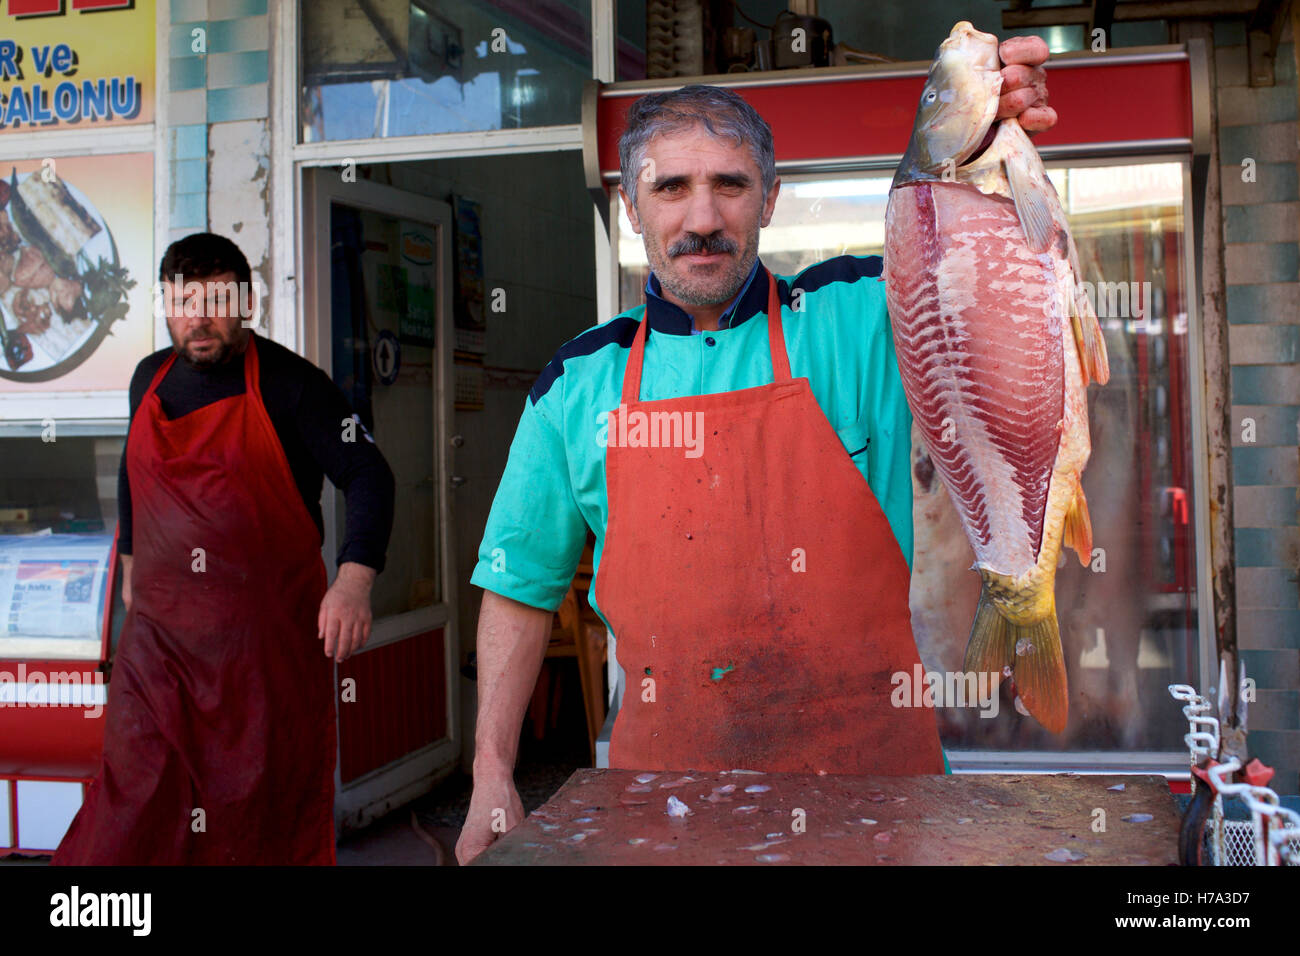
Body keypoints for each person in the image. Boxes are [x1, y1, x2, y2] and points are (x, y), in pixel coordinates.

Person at [457, 37, 1057, 864]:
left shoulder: (859, 314)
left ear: (770, 199)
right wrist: (492, 773)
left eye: (729, 186)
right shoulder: (577, 381)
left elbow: (972, 257)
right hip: (666, 809)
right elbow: (519, 588)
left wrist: (992, 134)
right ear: (632, 206)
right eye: (671, 188)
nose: (701, 219)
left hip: (879, 799)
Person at [53, 233, 395, 865]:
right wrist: (130, 565)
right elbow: (133, 476)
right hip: (157, 650)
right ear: (165, 305)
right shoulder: (145, 380)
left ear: (247, 304)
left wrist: (353, 580)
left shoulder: (296, 386)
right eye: (183, 300)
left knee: (253, 810)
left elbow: (368, 473)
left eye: (216, 298)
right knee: (132, 802)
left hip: (259, 659)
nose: (198, 316)